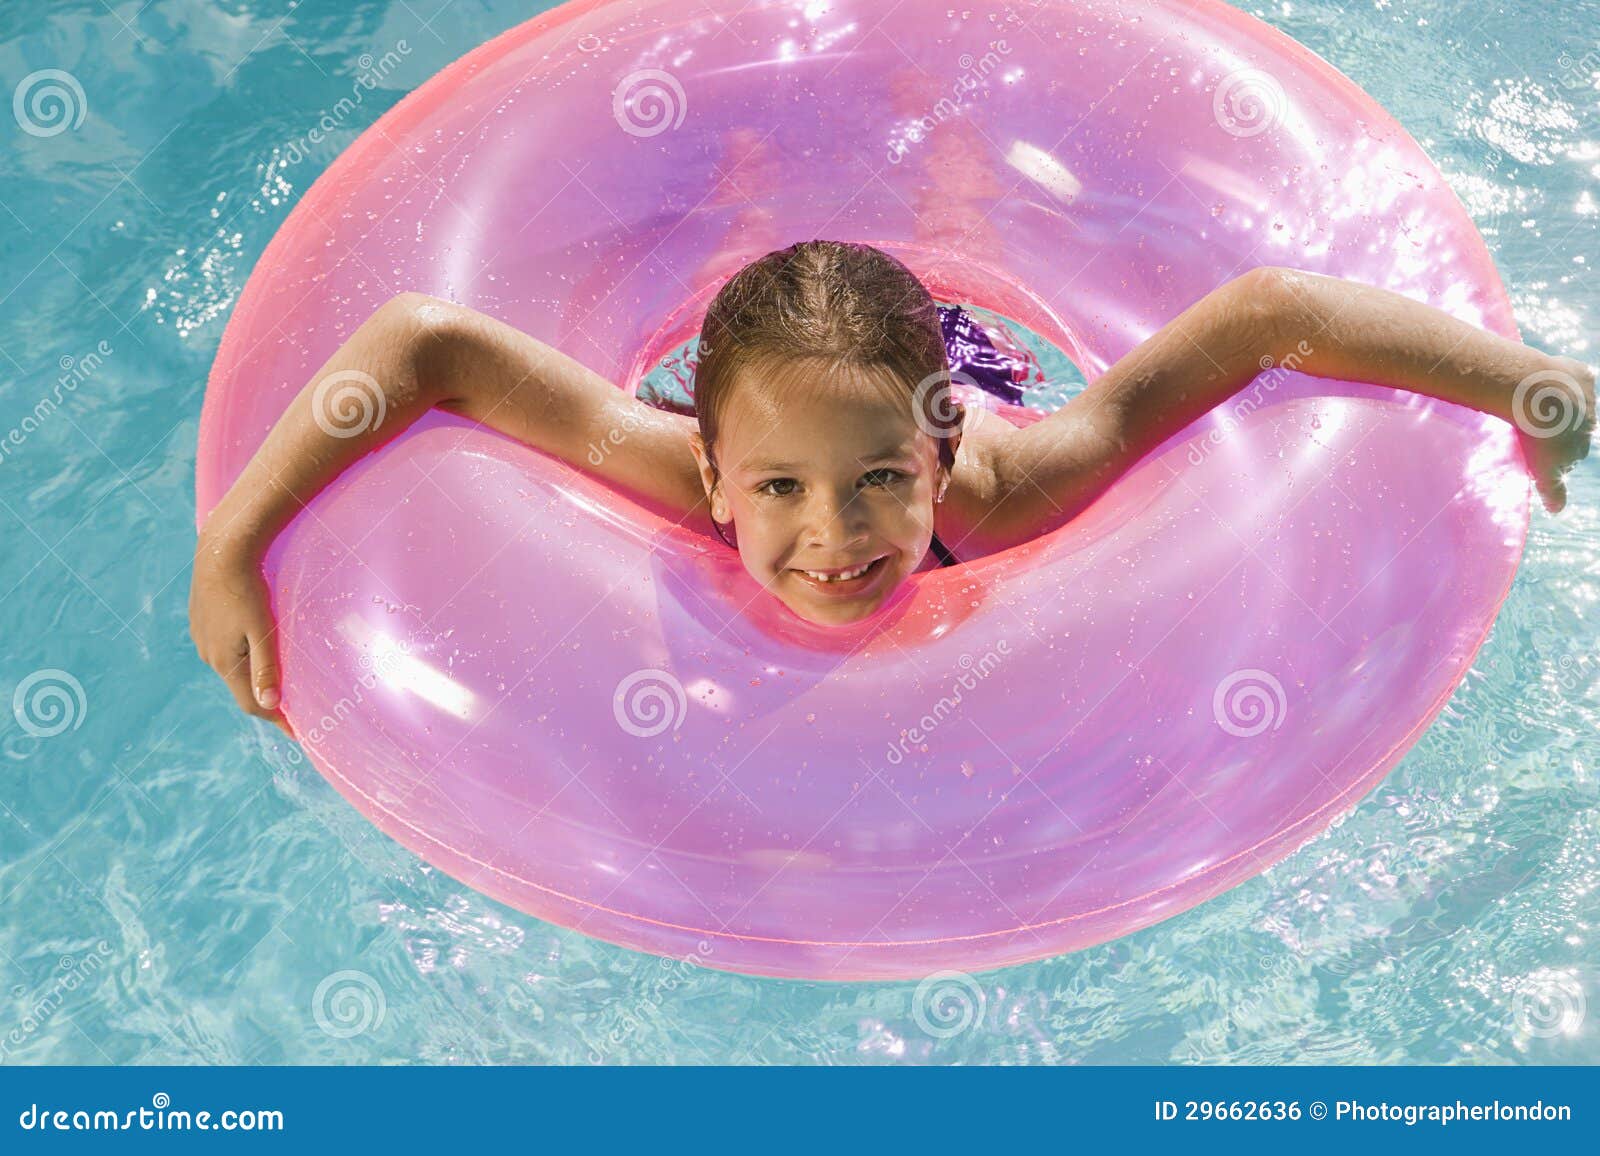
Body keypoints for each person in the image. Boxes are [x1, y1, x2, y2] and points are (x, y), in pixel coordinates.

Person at [190, 241, 1595, 733]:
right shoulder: (689, 477)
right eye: (781, 493)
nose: (832, 536)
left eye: (878, 486)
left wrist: (1529, 381)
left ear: (933, 461)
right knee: (797, 401)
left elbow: (1264, 312)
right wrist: (232, 544)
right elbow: (423, 342)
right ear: (715, 477)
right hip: (778, 376)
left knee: (867, 384)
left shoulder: (1015, 479)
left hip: (952, 358)